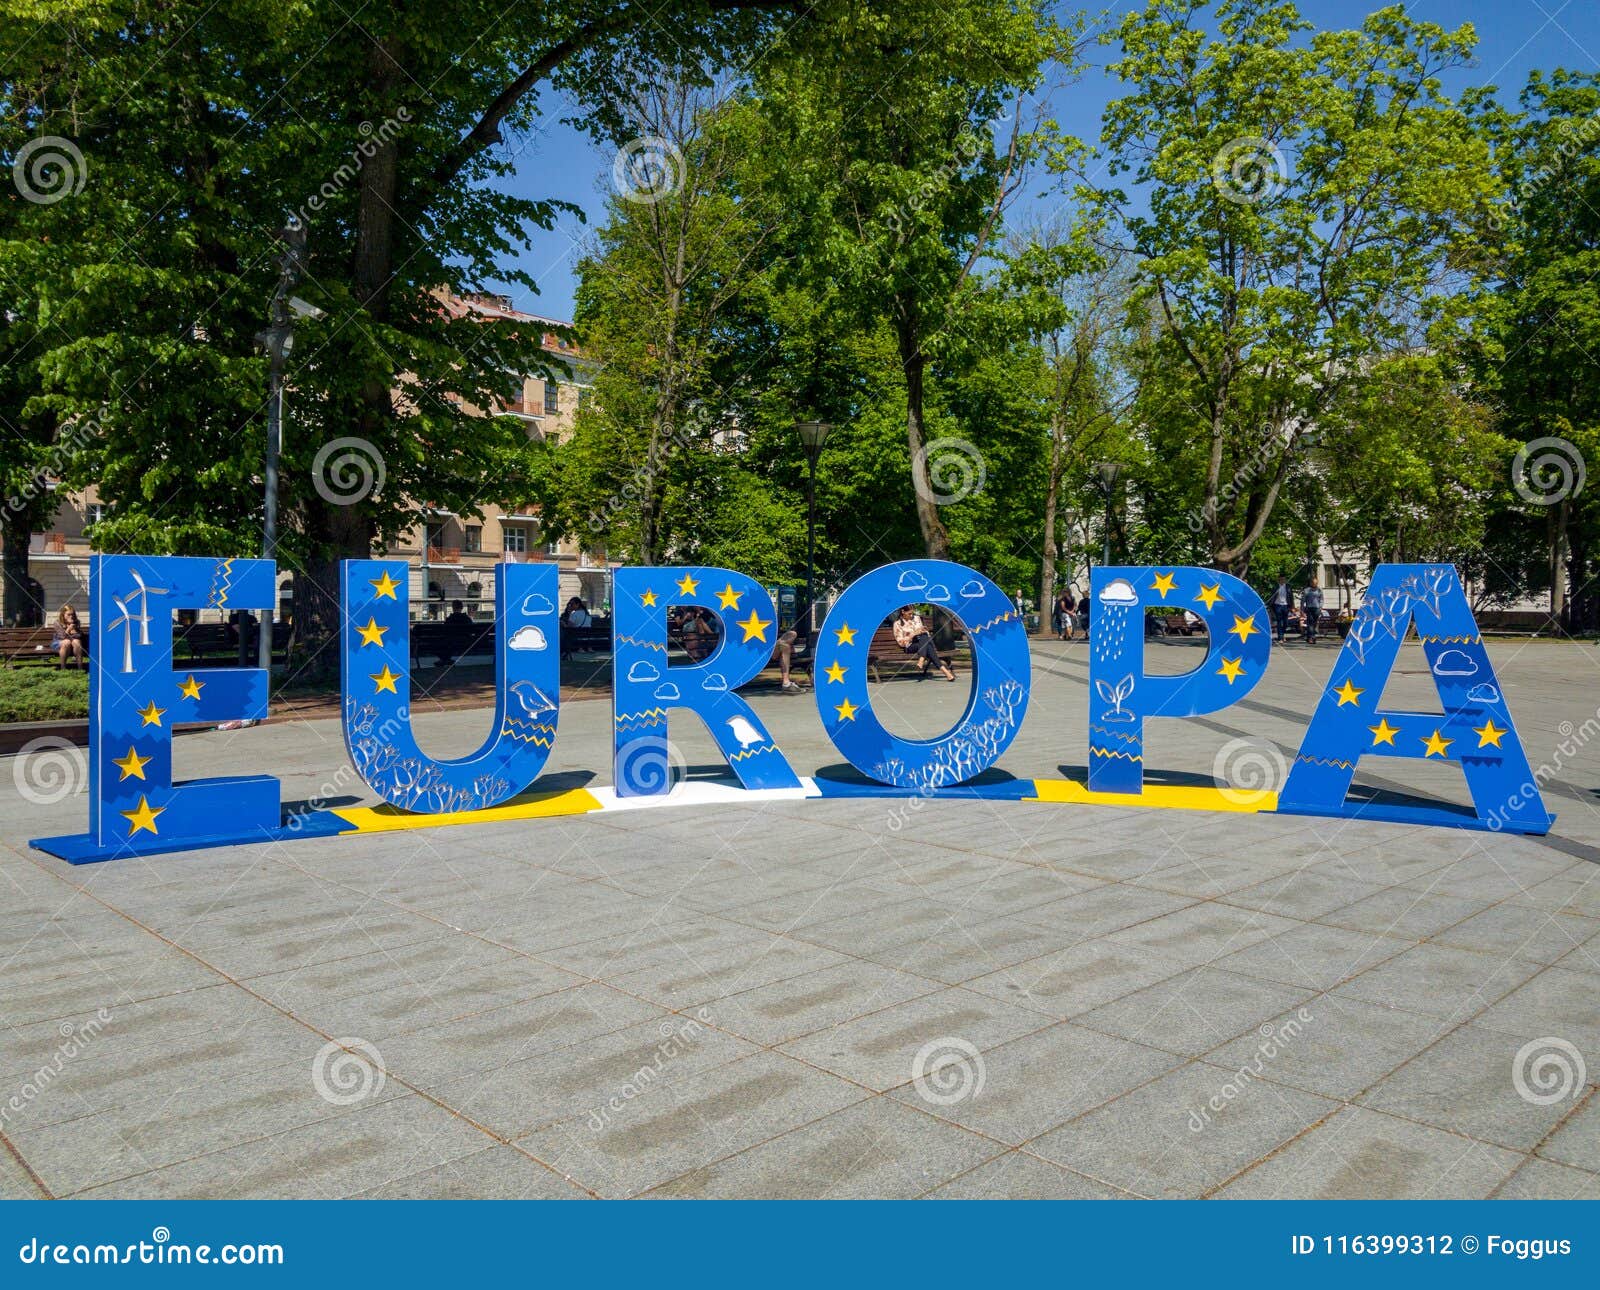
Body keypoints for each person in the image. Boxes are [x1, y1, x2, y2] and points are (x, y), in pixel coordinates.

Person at [892, 604, 955, 681]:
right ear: (903, 612)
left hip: (922, 641)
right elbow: (901, 643)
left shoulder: (917, 618)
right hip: (910, 645)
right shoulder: (897, 624)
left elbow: (924, 632)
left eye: (912, 613)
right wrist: (912, 635)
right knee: (927, 646)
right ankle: (945, 671)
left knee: (924, 636)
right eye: (909, 614)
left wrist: (923, 630)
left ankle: (922, 658)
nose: (911, 615)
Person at [52, 605, 86, 669]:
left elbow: (79, 635)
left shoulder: (77, 622)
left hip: (73, 642)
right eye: (68, 614)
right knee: (66, 642)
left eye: (72, 614)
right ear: (63, 615)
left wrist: (74, 631)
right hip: (58, 642)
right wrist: (69, 629)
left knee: (77, 642)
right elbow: (62, 636)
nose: (71, 616)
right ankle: (63, 668)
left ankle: (80, 668)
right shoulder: (57, 623)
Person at [1270, 575, 1291, 643]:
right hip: (1277, 605)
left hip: (1286, 605)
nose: (1282, 580)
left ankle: (1283, 634)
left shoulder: (1288, 587)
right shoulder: (1275, 587)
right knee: (1279, 622)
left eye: (1283, 579)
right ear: (1278, 580)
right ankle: (1280, 638)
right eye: (1281, 579)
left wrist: (1292, 606)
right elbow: (1272, 596)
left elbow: (1291, 596)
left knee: (1285, 622)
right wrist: (1271, 604)